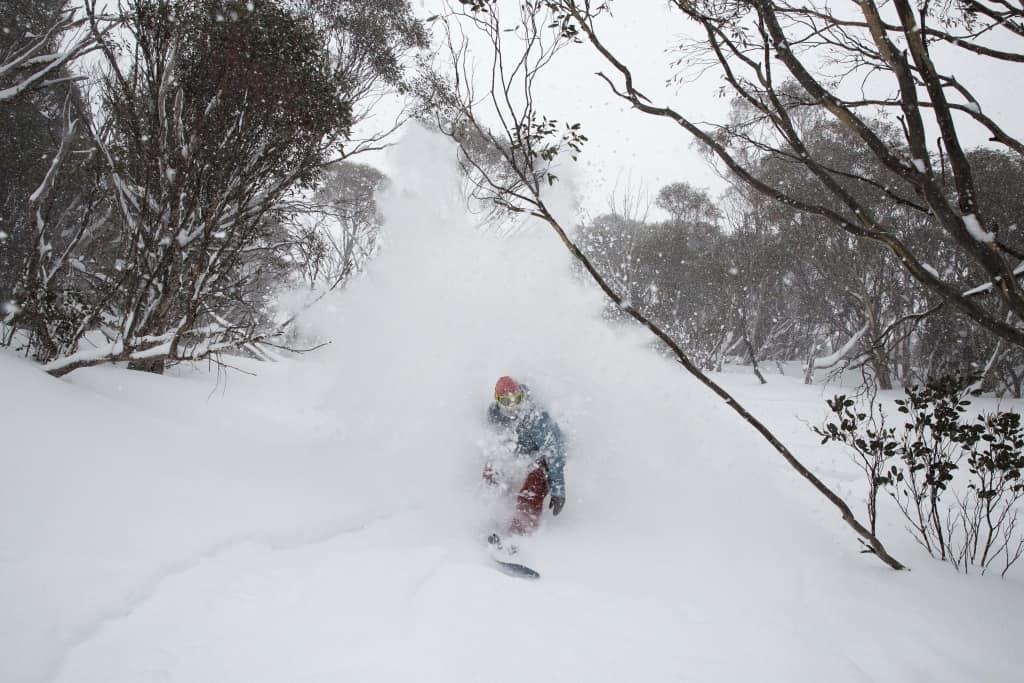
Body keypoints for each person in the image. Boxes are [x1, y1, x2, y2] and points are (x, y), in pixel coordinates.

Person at [485, 375, 567, 535]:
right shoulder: (494, 415)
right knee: (493, 467)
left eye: (517, 399)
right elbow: (490, 443)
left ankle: (521, 529)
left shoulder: (535, 417)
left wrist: (558, 489)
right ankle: (488, 517)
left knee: (533, 482)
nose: (513, 406)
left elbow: (554, 452)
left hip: (544, 456)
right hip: (518, 456)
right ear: (498, 401)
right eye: (507, 402)